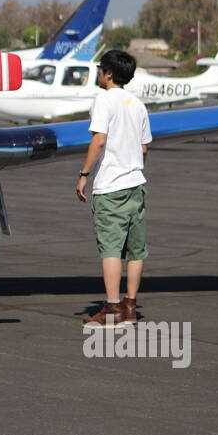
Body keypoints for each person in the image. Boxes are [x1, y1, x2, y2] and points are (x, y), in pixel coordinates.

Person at [76, 49, 152, 328]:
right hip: (136, 186)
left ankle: (111, 309)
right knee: (135, 250)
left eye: (100, 69)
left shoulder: (104, 100)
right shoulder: (138, 104)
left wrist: (84, 174)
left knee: (110, 248)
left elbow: (98, 140)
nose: (98, 74)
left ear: (108, 74)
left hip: (111, 187)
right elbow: (144, 148)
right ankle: (130, 306)